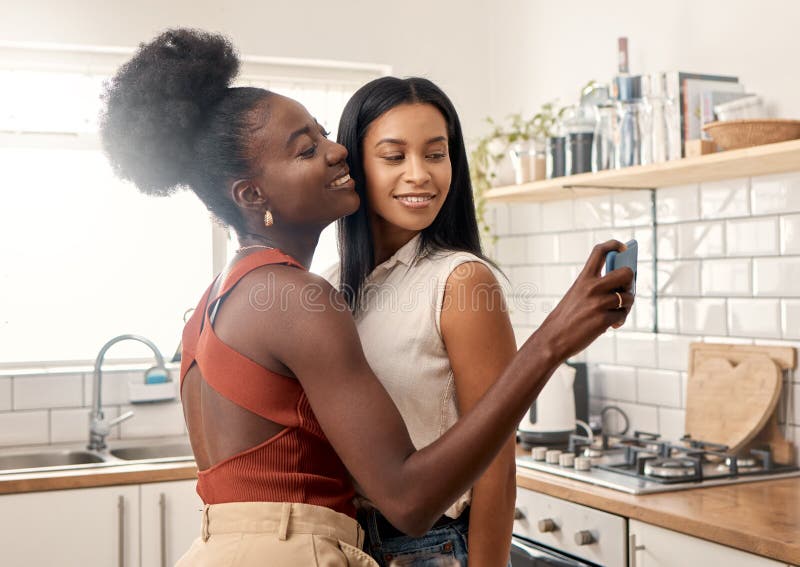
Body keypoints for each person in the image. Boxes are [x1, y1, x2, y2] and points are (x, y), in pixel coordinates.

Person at [99, 28, 634, 567]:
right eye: (308, 149)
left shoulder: (216, 304)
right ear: (252, 194)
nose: (336, 153)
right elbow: (407, 497)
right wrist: (551, 342)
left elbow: (494, 470)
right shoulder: (307, 294)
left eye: (436, 153)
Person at [328, 76, 515, 566]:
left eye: (435, 154)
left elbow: (495, 462)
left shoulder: (461, 281)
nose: (420, 175)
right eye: (394, 156)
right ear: (356, 165)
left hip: (430, 550)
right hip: (340, 543)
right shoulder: (328, 286)